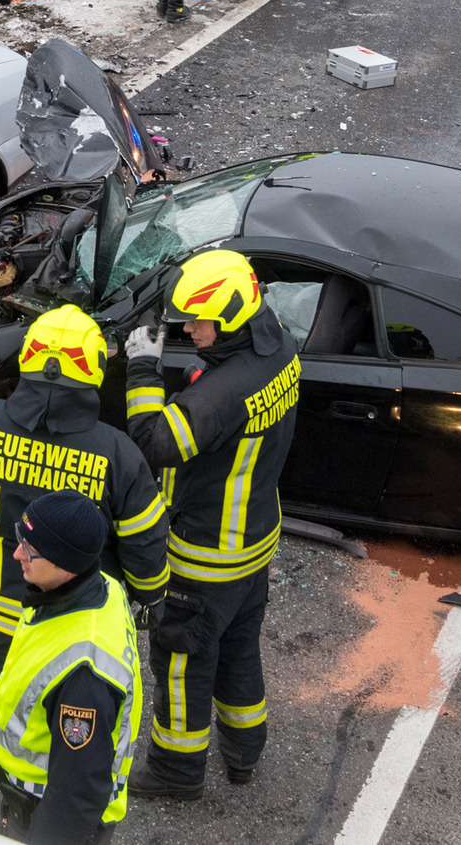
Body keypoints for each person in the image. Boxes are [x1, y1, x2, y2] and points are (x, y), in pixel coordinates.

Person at [0, 306, 169, 821]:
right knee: (63, 720)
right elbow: (146, 541)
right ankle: (44, 801)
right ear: (93, 375)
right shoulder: (117, 453)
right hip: (67, 629)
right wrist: (149, 598)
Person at [120, 250, 300, 798]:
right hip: (252, 545)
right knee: (239, 650)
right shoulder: (279, 346)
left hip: (204, 557)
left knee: (181, 659)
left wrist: (143, 367)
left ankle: (177, 771)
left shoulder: (223, 395)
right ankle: (244, 753)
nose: (189, 330)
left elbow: (154, 443)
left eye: (199, 322)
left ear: (229, 319)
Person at [0, 490, 146, 844]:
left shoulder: (84, 678)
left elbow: (76, 796)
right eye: (20, 538)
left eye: (30, 549)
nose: (16, 553)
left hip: (46, 816)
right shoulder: (104, 588)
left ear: (65, 562)